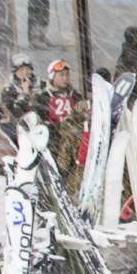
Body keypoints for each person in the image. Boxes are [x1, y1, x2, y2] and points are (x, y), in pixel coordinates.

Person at [43, 59, 86, 189]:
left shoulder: (76, 96)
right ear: (52, 77)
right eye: (61, 75)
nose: (65, 78)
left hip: (74, 142)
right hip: (55, 142)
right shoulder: (44, 97)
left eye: (67, 74)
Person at [0, 54, 41, 125]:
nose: (25, 72)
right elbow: (16, 110)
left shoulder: (40, 86)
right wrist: (25, 92)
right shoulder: (9, 90)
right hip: (18, 126)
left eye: (28, 69)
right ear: (15, 72)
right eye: (21, 69)